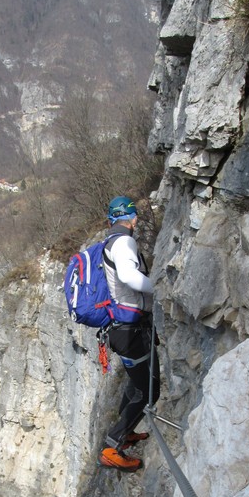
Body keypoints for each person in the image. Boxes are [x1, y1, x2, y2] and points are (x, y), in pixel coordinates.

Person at [98, 196, 160, 472]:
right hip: (133, 329)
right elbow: (130, 277)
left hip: (124, 329)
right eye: (135, 216)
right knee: (149, 390)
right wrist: (158, 286)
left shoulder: (110, 241)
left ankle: (127, 430)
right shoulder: (123, 242)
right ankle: (114, 445)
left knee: (136, 385)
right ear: (132, 218)